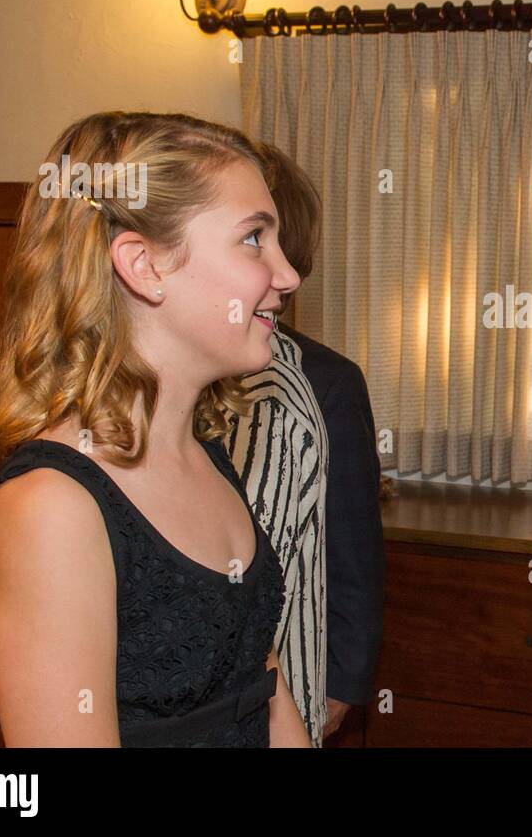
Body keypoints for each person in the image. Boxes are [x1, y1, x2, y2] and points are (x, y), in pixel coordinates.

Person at [0, 111, 312, 746]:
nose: (287, 274)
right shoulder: (50, 507)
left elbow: (263, 686)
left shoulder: (208, 454)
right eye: (253, 239)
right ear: (144, 265)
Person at [225, 141, 384, 746]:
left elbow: (353, 550)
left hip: (294, 670)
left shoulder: (327, 384)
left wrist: (343, 681)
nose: (283, 280)